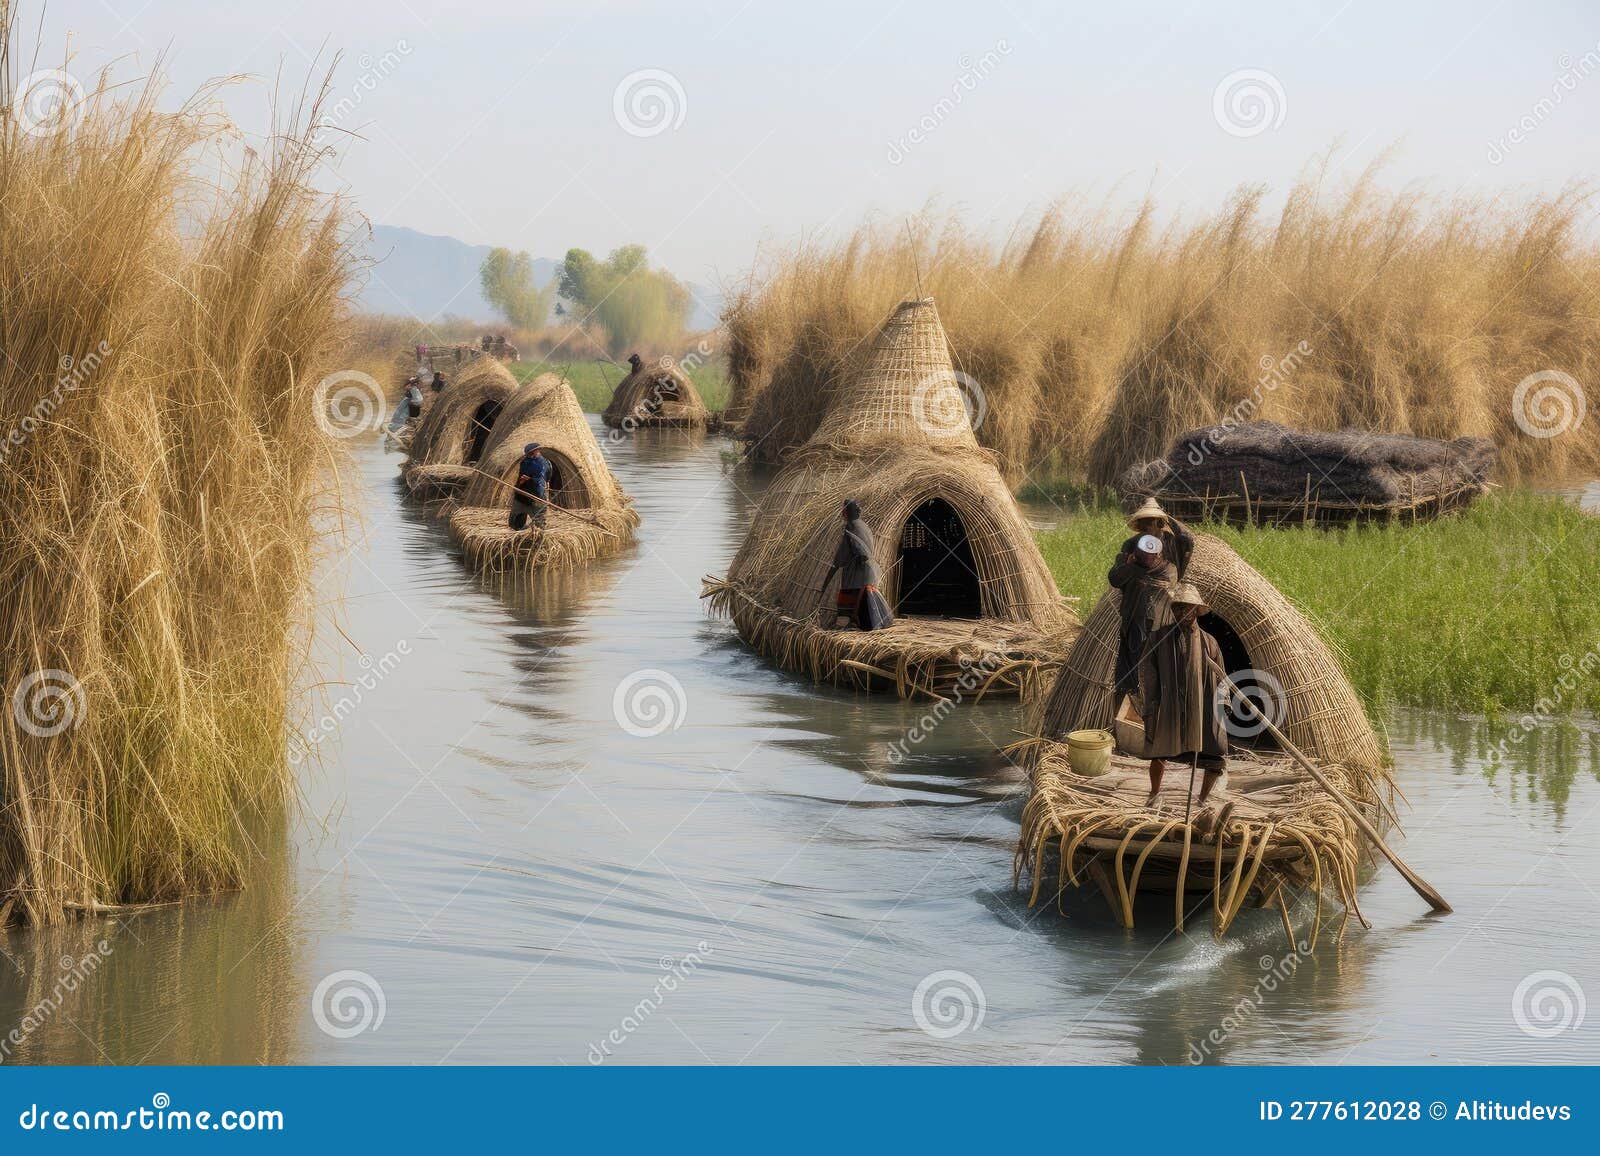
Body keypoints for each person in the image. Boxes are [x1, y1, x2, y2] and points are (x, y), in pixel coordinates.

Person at [1137, 583, 1229, 809]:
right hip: (1170, 704)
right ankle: (1154, 793)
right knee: (1160, 748)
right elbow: (1147, 669)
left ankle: (1202, 799)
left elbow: (1221, 675)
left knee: (1214, 752)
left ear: (1197, 611)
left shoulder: (1209, 642)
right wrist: (1152, 700)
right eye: (1178, 608)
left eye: (1188, 608)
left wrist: (1221, 703)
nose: (1183, 613)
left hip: (1202, 705)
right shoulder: (1159, 638)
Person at [1108, 533, 1177, 714]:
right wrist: (1131, 565)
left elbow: (1168, 584)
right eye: (1143, 554)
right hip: (1132, 623)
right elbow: (1114, 579)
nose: (1147, 558)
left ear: (1158, 555)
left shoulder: (1167, 569)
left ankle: (1152, 709)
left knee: (1152, 668)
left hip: (1156, 628)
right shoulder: (1129, 564)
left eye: (1151, 555)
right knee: (1129, 667)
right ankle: (1126, 704)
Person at [821, 499, 893, 631]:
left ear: (846, 512)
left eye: (844, 510)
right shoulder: (864, 526)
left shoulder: (851, 526)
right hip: (868, 570)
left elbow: (845, 552)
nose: (842, 514)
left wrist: (836, 565)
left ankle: (848, 626)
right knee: (866, 598)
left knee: (852, 600)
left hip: (857, 571)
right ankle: (867, 625)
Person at [1120, 498, 1195, 580]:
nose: (1146, 526)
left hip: (1166, 585)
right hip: (1141, 586)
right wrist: (1128, 565)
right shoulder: (1131, 543)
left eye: (1150, 521)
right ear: (1139, 524)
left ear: (1159, 523)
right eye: (1142, 521)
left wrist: (1168, 518)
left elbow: (1188, 538)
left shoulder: (1170, 541)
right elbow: (1117, 576)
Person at [509, 442, 552, 531]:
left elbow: (545, 479)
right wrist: (521, 482)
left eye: (533, 453)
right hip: (522, 495)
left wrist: (530, 479)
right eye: (529, 454)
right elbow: (521, 475)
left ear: (538, 450)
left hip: (537, 496)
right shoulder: (524, 462)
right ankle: (520, 536)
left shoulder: (545, 463)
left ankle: (538, 541)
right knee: (515, 523)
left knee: (539, 525)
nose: (531, 455)